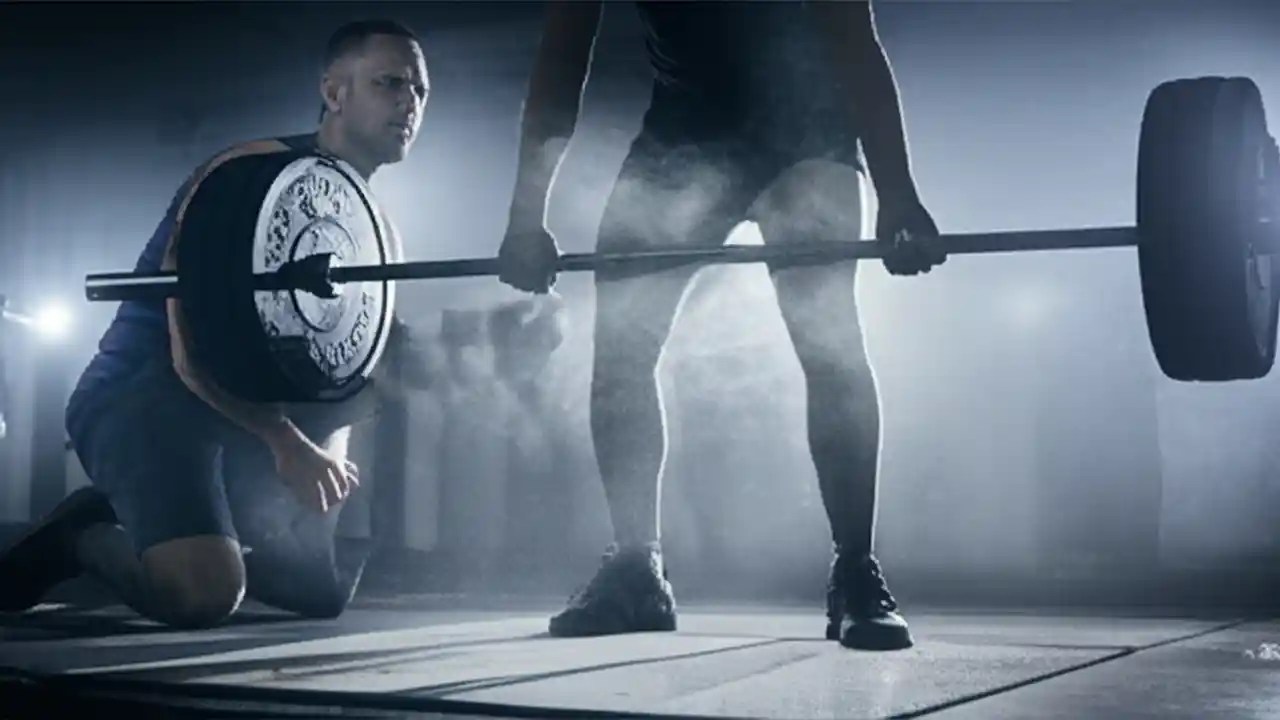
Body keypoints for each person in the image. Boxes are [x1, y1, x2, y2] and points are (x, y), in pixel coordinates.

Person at [498, 1, 944, 650]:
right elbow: (562, 62)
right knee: (621, 349)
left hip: (805, 132)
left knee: (829, 338)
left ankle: (855, 571)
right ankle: (636, 570)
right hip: (683, 133)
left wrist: (898, 193)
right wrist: (523, 215)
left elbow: (856, 46)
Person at [0, 19, 429, 629]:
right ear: (335, 93)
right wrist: (287, 445)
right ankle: (82, 533)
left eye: (420, 91)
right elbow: (187, 348)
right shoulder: (242, 174)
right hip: (148, 395)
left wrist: (317, 475)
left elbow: (347, 379)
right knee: (203, 596)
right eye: (391, 82)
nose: (409, 102)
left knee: (316, 588)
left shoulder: (380, 233)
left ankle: (211, 522)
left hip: (243, 415)